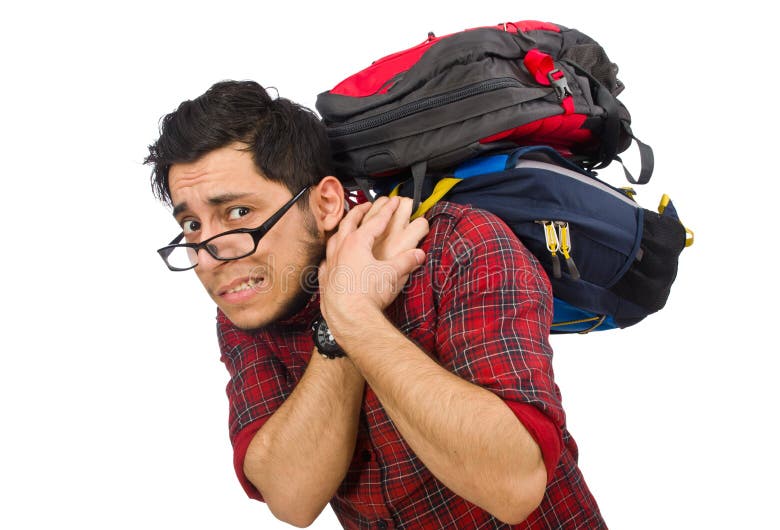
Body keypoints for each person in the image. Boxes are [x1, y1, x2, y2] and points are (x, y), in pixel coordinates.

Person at [145, 80, 606, 529]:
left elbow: (515, 485)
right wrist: (339, 324)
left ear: (326, 204)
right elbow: (291, 498)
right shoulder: (248, 300)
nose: (208, 256)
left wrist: (357, 318)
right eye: (191, 224)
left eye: (238, 213)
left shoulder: (460, 245)